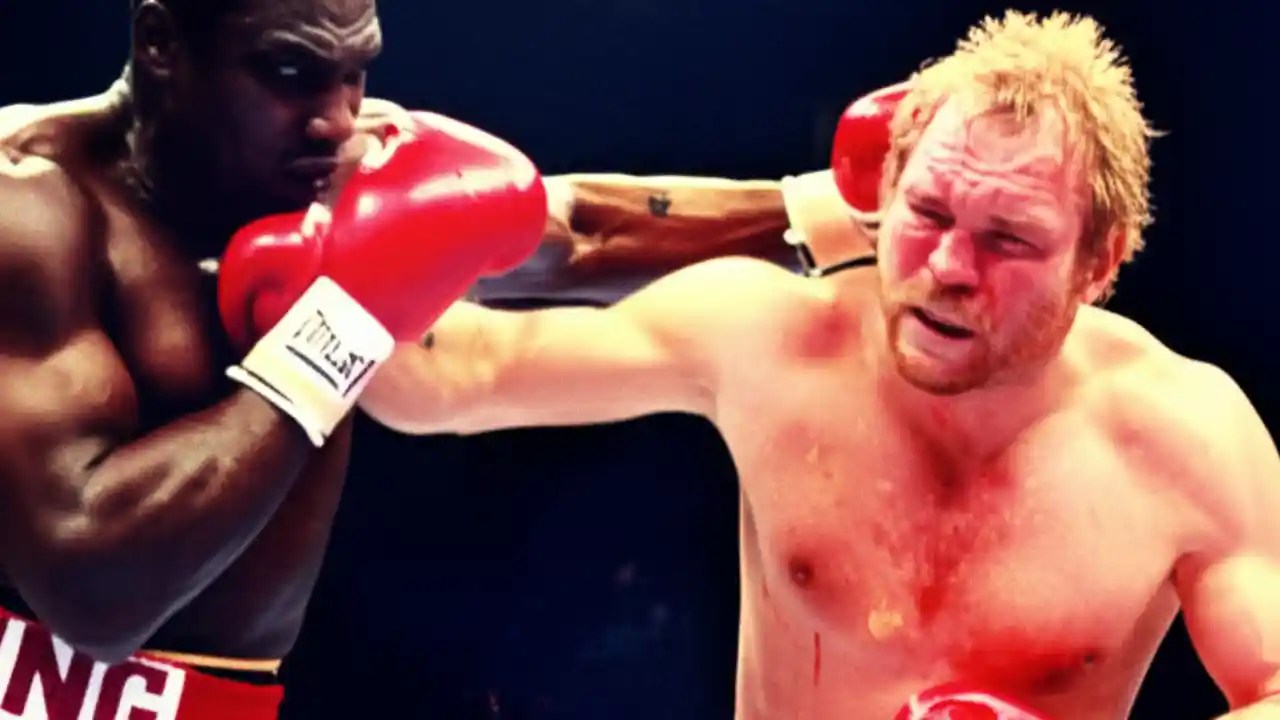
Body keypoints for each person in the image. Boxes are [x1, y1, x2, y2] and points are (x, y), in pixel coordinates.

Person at [359, 10, 1280, 719]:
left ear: (1100, 262)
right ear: (883, 191)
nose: (952, 269)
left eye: (1009, 239)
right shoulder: (773, 338)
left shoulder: (1185, 436)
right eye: (928, 215)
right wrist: (335, 283)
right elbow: (454, 380)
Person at [0, 0, 555, 717]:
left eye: (356, 73)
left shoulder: (333, 171)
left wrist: (751, 226)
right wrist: (341, 329)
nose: (339, 119)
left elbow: (582, 232)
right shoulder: (28, 206)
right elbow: (92, 595)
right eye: (291, 70)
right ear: (160, 42)